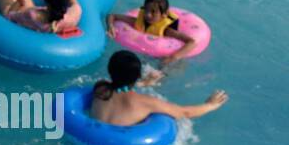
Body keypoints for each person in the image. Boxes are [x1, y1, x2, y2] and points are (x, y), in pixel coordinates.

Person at [87, 51, 227, 125]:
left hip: (88, 136)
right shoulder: (144, 102)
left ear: (110, 70)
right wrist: (210, 105)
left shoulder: (100, 87)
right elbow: (185, 113)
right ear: (137, 76)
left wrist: (144, 83)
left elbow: (118, 87)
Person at [106, 0, 194, 64]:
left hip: (162, 55)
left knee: (164, 67)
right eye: (146, 10)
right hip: (144, 52)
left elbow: (191, 42)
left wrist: (173, 57)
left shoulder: (167, 31)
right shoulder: (139, 22)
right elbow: (112, 16)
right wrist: (110, 27)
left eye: (153, 12)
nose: (148, 15)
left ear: (163, 15)